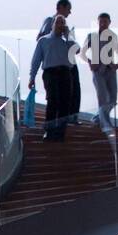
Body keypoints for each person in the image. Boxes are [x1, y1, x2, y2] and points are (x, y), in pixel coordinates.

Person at [29, 14, 80, 142]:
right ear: (53, 24)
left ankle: (60, 132)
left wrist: (68, 35)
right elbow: (36, 59)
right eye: (58, 22)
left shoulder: (67, 41)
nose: (60, 25)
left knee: (65, 103)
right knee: (53, 100)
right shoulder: (44, 40)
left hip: (65, 72)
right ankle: (49, 131)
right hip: (50, 72)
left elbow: (77, 50)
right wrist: (32, 77)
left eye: (63, 23)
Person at [37, 0, 80, 123]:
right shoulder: (50, 21)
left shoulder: (66, 27)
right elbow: (41, 37)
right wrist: (56, 33)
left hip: (68, 61)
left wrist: (67, 35)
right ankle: (56, 124)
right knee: (55, 96)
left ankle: (71, 117)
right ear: (60, 7)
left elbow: (74, 47)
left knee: (74, 90)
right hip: (55, 63)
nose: (70, 12)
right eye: (68, 8)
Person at [80, 12, 118, 136]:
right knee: (103, 97)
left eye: (105, 21)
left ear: (109, 22)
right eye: (101, 21)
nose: (103, 24)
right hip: (98, 70)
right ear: (98, 22)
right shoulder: (92, 36)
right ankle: (106, 125)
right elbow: (82, 53)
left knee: (113, 99)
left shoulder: (113, 36)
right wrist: (90, 62)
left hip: (110, 69)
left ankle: (97, 118)